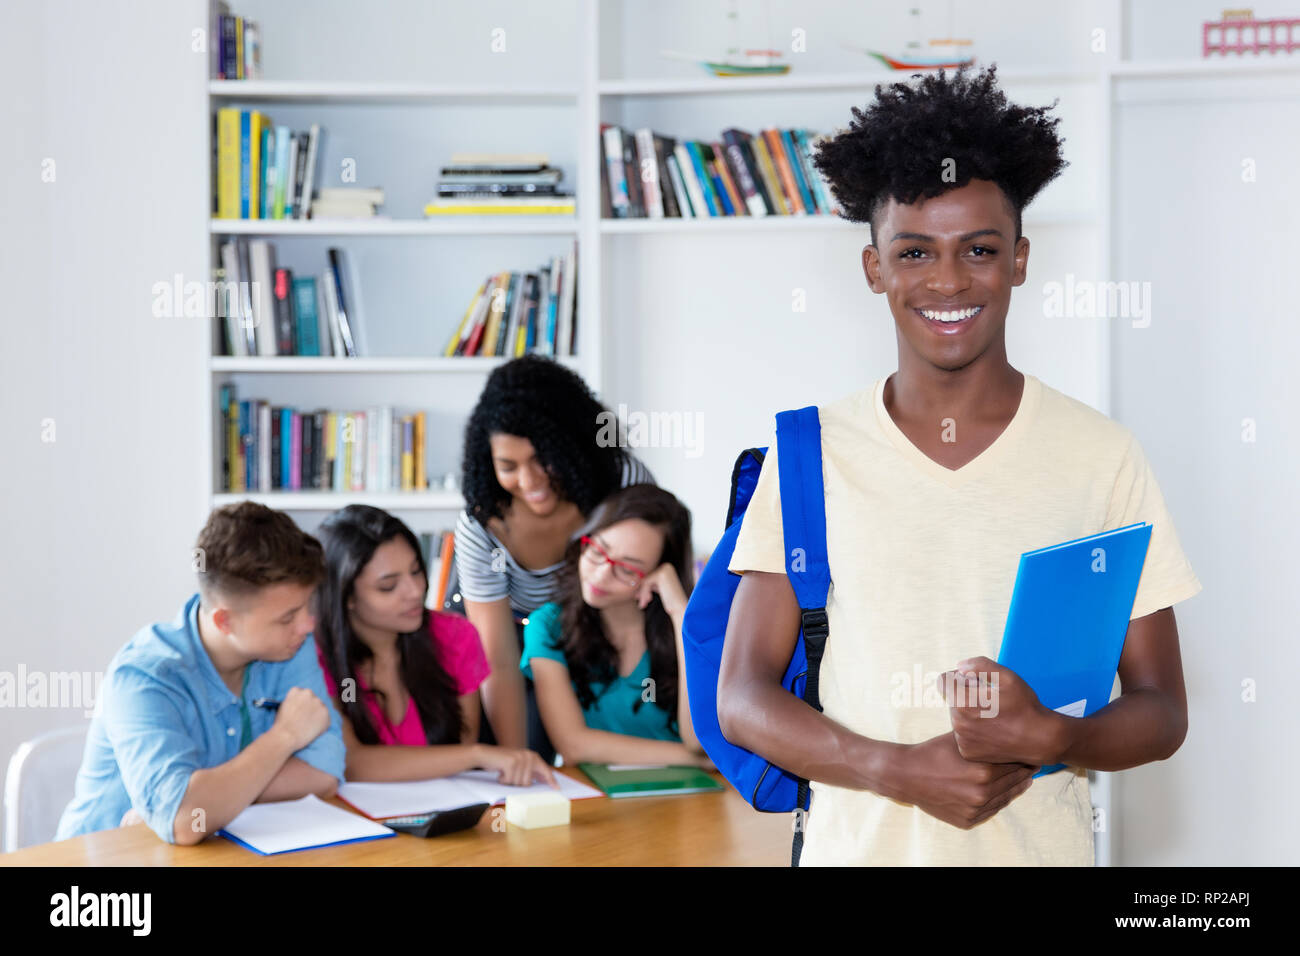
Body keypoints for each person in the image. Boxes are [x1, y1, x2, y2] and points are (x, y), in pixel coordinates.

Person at [721, 64, 1202, 866]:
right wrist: (901, 771)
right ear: (875, 269)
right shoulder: (810, 454)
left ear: (1018, 259)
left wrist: (1059, 733)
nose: (947, 280)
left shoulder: (1101, 456)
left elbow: (1163, 711)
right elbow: (740, 697)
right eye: (914, 252)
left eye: (978, 249)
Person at [56, 502, 345, 845]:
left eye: (307, 606)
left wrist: (208, 801)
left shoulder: (289, 645)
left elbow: (326, 772)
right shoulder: (143, 677)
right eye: (287, 616)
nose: (308, 624)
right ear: (226, 621)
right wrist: (284, 737)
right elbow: (186, 820)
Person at [455, 355, 654, 762]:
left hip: (596, 631)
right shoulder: (480, 525)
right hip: (507, 640)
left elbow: (649, 574)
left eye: (541, 460)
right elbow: (499, 659)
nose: (529, 482)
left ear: (571, 443)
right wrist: (518, 763)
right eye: (508, 467)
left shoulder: (623, 484)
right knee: (530, 742)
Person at [314, 505, 554, 786]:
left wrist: (471, 755)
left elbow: (458, 751)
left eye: (416, 572)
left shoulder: (454, 637)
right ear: (345, 597)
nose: (415, 592)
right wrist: (476, 755)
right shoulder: (320, 658)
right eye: (389, 586)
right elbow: (351, 763)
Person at [522, 485, 711, 768]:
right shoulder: (547, 625)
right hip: (596, 799)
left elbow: (697, 741)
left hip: (689, 799)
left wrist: (680, 612)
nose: (600, 575)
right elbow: (573, 745)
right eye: (598, 550)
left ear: (659, 572)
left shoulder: (690, 628)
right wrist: (694, 760)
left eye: (627, 569)